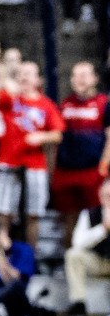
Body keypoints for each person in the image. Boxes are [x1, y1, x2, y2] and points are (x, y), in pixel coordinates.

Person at [0, 62, 65, 250]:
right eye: (21, 74)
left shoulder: (45, 104)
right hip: (9, 162)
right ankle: (2, 254)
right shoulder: (8, 99)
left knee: (34, 212)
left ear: (37, 79)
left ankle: (30, 255)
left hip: (35, 165)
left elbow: (58, 133)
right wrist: (4, 80)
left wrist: (42, 136)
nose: (24, 77)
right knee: (4, 211)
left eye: (29, 74)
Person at [52, 61, 107, 242]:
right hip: (66, 171)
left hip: (93, 171)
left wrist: (104, 167)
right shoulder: (65, 103)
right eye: (75, 75)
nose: (79, 79)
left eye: (84, 75)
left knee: (93, 218)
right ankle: (68, 259)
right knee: (68, 217)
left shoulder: (103, 103)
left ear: (95, 78)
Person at [63, 175, 110, 316]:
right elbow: (78, 242)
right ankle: (78, 303)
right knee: (73, 255)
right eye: (106, 195)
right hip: (98, 261)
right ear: (100, 194)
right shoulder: (90, 213)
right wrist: (103, 230)